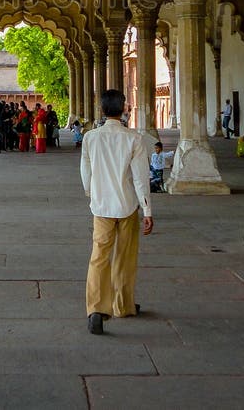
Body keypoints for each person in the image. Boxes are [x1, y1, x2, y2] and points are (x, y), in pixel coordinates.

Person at [81, 89, 152, 335]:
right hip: (127, 206)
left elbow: (86, 172)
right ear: (123, 110)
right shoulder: (134, 139)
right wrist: (148, 210)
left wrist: (92, 194)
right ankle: (122, 304)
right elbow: (141, 178)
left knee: (99, 256)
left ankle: (96, 309)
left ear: (101, 110)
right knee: (125, 256)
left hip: (102, 207)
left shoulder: (91, 138)